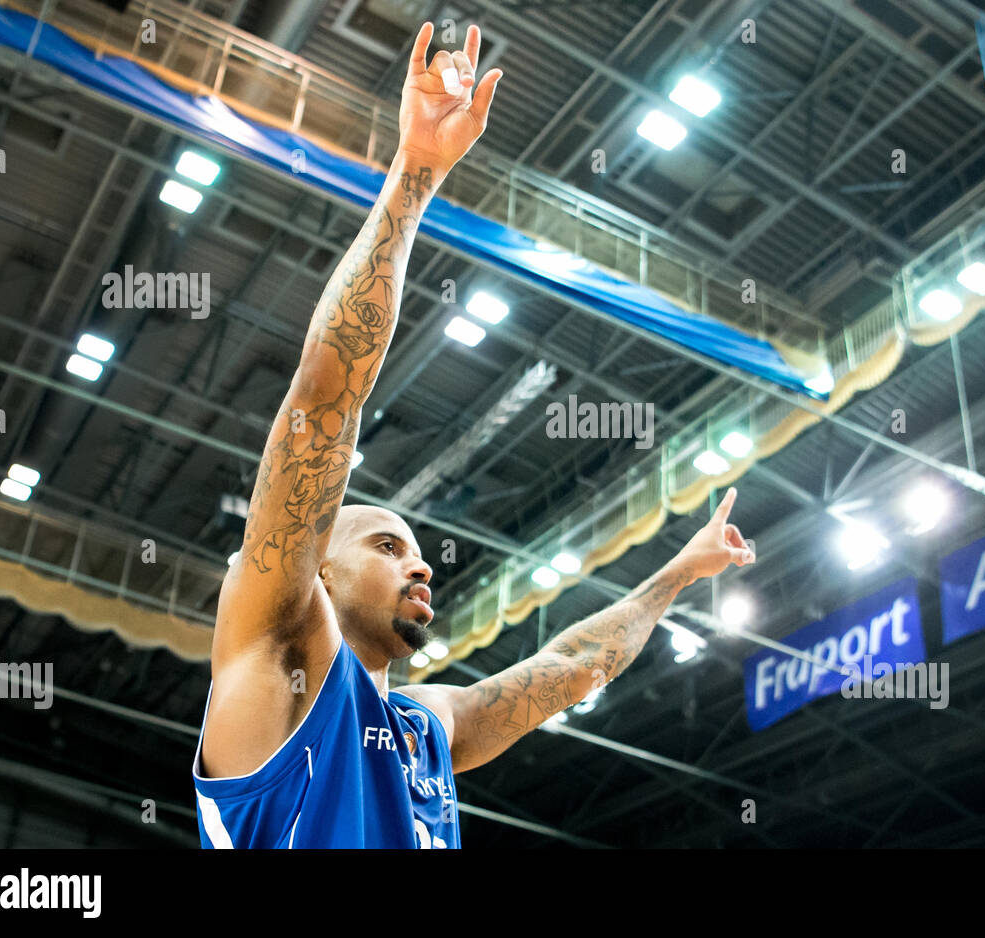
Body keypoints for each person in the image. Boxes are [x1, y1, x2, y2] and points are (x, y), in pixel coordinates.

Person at [192, 21, 755, 848]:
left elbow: (575, 668)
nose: (420, 562)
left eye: (412, 549)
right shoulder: (277, 653)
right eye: (387, 545)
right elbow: (322, 405)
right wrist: (415, 176)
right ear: (318, 565)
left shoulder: (427, 728)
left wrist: (679, 571)